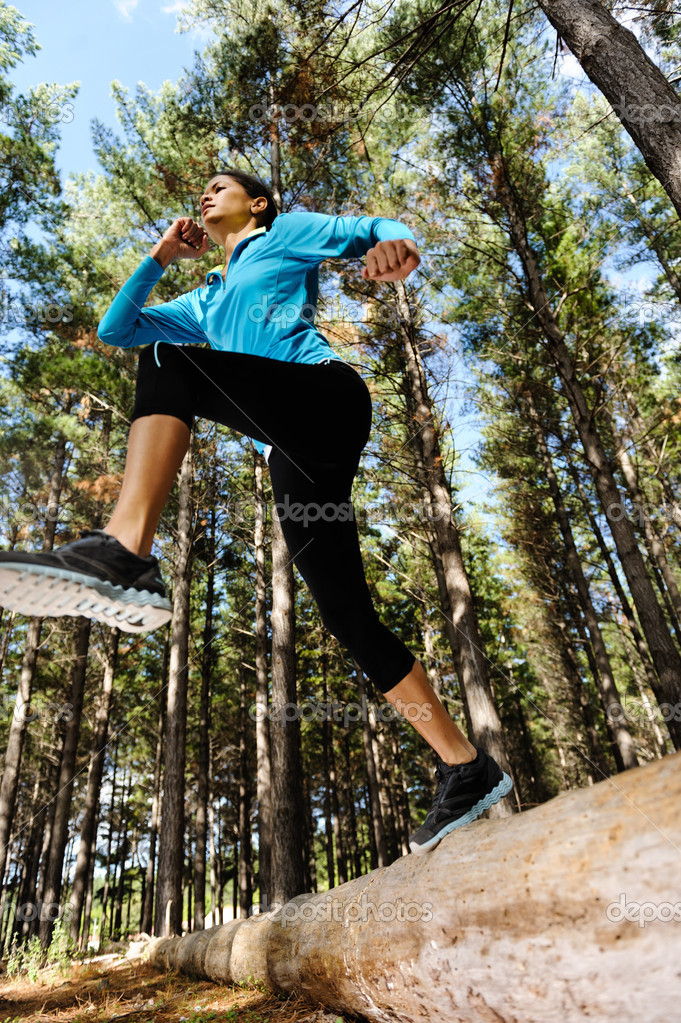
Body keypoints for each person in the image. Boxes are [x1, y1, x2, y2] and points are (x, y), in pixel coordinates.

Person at [0, 170, 512, 853]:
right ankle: (465, 766)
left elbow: (365, 230)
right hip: (292, 452)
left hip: (326, 402)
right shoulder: (207, 298)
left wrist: (395, 242)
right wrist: (159, 256)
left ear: (257, 203)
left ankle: (125, 550)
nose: (206, 196)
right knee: (346, 615)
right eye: (201, 193)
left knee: (168, 363)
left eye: (220, 186)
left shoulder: (281, 234)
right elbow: (115, 328)